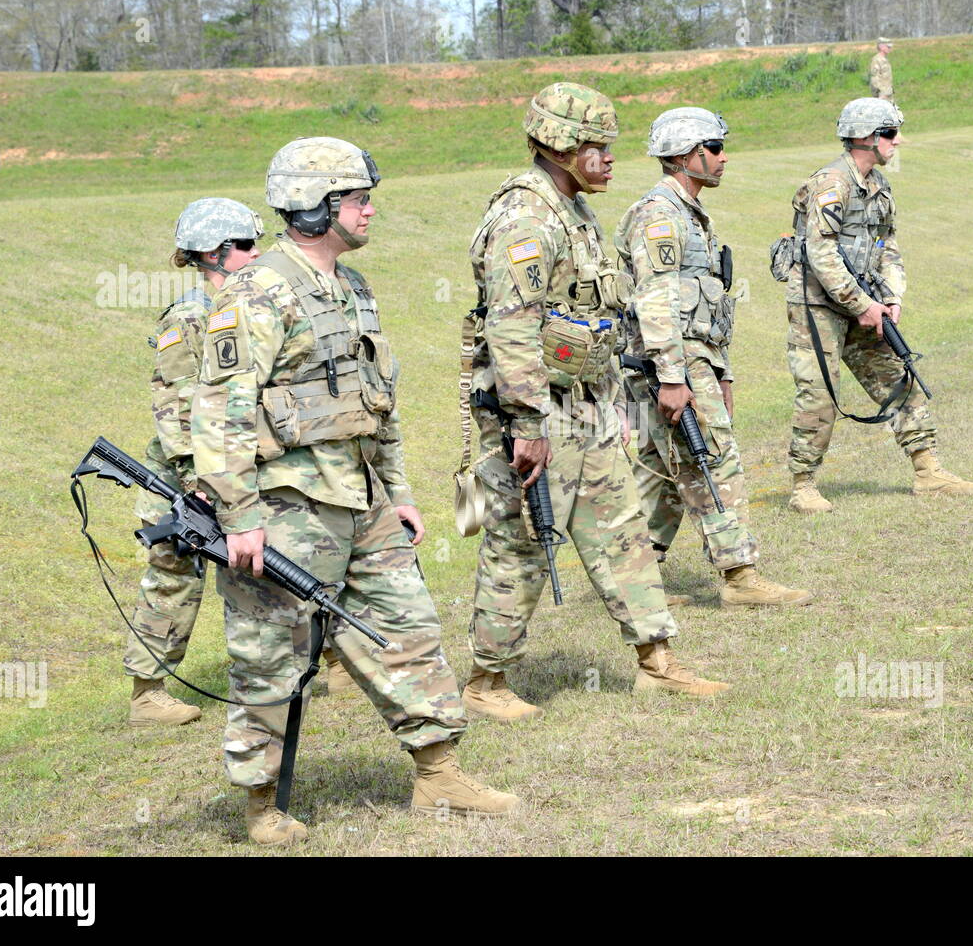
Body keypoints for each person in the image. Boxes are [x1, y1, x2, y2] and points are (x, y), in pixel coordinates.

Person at [192, 136, 518, 845]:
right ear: (316, 207)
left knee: (409, 626)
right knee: (271, 656)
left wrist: (396, 490)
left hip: (361, 498)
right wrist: (239, 515)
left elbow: (377, 398)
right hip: (285, 508)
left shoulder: (352, 288)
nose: (369, 209)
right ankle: (259, 806)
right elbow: (219, 411)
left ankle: (438, 775)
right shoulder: (257, 292)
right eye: (357, 198)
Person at [461, 83, 730, 724]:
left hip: (587, 406)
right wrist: (527, 424)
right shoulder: (526, 219)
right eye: (595, 147)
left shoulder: (573, 209)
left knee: (623, 531)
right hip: (535, 416)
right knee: (521, 543)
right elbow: (513, 328)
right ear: (559, 146)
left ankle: (657, 661)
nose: (609, 158)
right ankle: (485, 679)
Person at [614, 106, 812, 609]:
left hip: (689, 360)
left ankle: (632, 580)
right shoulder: (658, 215)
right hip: (669, 363)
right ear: (686, 156)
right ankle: (740, 576)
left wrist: (721, 372)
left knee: (662, 474)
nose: (725, 158)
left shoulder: (691, 215)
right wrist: (674, 376)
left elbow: (706, 304)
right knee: (713, 460)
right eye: (716, 149)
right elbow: (656, 302)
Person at [779, 98, 973, 514]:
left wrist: (890, 296)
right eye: (890, 134)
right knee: (818, 394)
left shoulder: (879, 187)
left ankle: (928, 472)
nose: (897, 142)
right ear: (865, 139)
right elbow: (822, 254)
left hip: (865, 301)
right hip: (817, 304)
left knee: (900, 378)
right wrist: (862, 304)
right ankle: (803, 485)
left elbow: (886, 245)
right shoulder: (831, 184)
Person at [126, 198, 261, 726]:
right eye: (248, 245)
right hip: (184, 481)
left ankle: (329, 659)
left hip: (233, 469)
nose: (257, 254)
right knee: (173, 579)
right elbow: (177, 407)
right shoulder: (187, 318)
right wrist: (197, 483)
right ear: (213, 252)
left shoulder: (242, 307)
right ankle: (146, 693)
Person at [869, 38, 894, 103]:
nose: (890, 49)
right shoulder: (876, 60)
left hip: (888, 95)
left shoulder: (884, 60)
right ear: (881, 46)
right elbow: (875, 79)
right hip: (882, 96)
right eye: (888, 47)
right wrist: (882, 94)